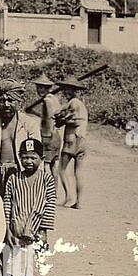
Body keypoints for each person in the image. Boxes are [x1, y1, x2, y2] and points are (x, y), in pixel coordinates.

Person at [1, 137, 56, 276]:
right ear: (19, 157)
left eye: (33, 157)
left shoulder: (47, 179)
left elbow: (49, 205)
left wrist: (44, 230)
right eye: (25, 157)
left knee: (38, 266)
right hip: (16, 228)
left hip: (37, 228)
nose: (29, 161)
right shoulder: (13, 179)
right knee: (16, 266)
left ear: (42, 158)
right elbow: (7, 203)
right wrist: (8, 229)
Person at [0, 80, 41, 195]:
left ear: (19, 102)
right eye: (2, 100)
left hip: (20, 173)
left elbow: (36, 156)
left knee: (20, 209)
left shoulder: (29, 124)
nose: (6, 104)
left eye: (10, 100)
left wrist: (36, 181)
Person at [55, 75, 89, 209]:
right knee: (78, 172)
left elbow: (73, 121)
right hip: (82, 140)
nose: (66, 92)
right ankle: (79, 202)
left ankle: (69, 198)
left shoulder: (73, 103)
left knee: (62, 169)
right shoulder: (80, 104)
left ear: (74, 90)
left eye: (68, 89)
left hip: (72, 139)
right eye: (65, 89)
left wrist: (61, 121)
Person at [30, 74, 63, 175]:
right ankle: (55, 189)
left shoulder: (46, 101)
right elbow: (53, 116)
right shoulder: (54, 98)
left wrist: (46, 137)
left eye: (42, 88)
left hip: (49, 135)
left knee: (46, 164)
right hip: (57, 135)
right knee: (55, 162)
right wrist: (34, 112)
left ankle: (48, 187)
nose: (39, 90)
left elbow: (48, 119)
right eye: (38, 87)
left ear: (47, 88)